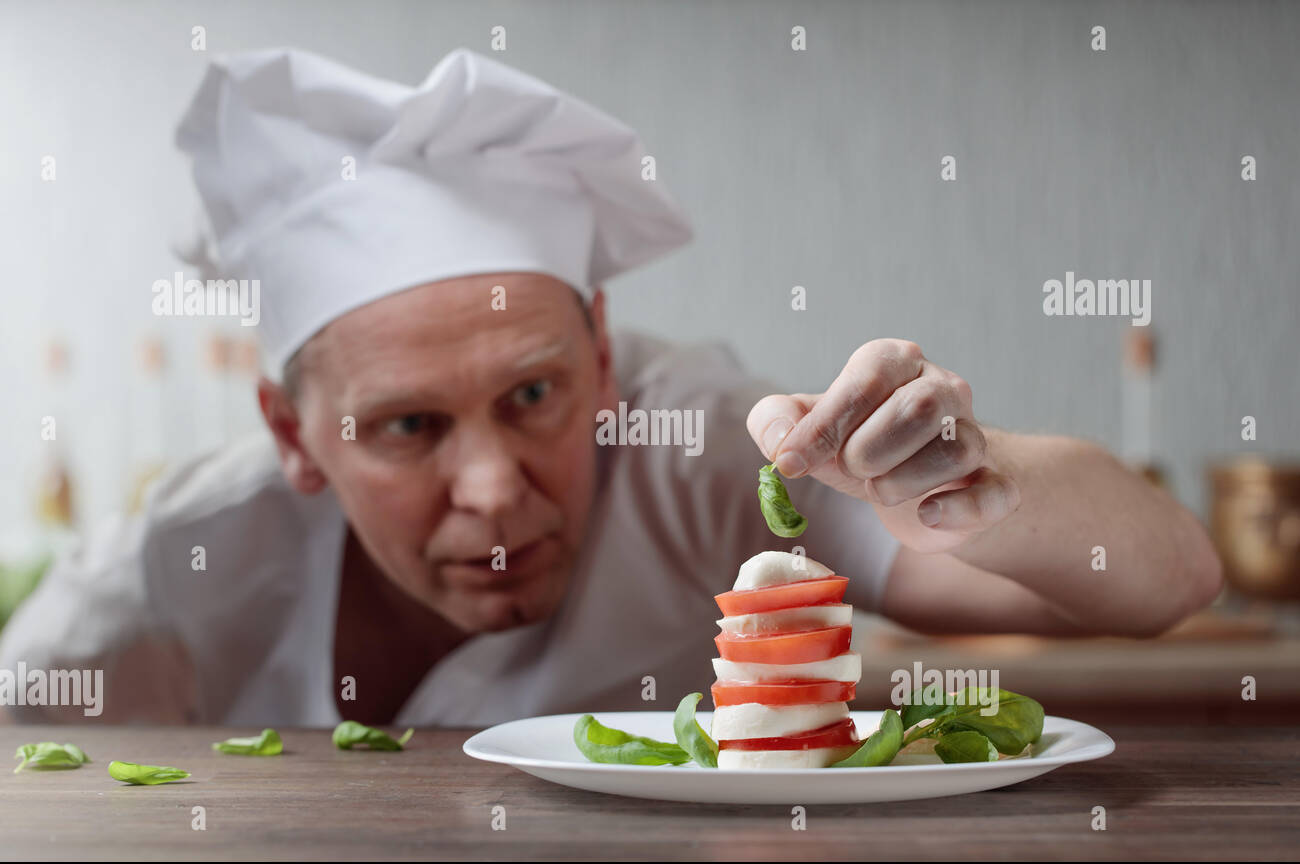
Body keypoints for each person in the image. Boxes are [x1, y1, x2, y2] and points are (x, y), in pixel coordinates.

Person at [0, 48, 1222, 728]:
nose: (491, 488)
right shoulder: (182, 562)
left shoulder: (693, 445)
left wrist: (974, 478)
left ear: (598, 347)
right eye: (410, 427)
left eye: (534, 395)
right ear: (295, 434)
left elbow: (1169, 576)